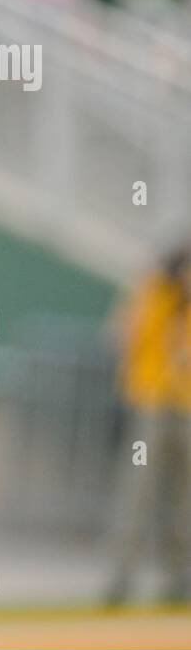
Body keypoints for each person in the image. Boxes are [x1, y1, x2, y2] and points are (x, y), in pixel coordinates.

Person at [104, 242, 191, 606]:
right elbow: (120, 336)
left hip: (185, 405)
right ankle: (122, 578)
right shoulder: (155, 293)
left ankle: (178, 579)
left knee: (182, 497)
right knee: (137, 491)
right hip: (151, 401)